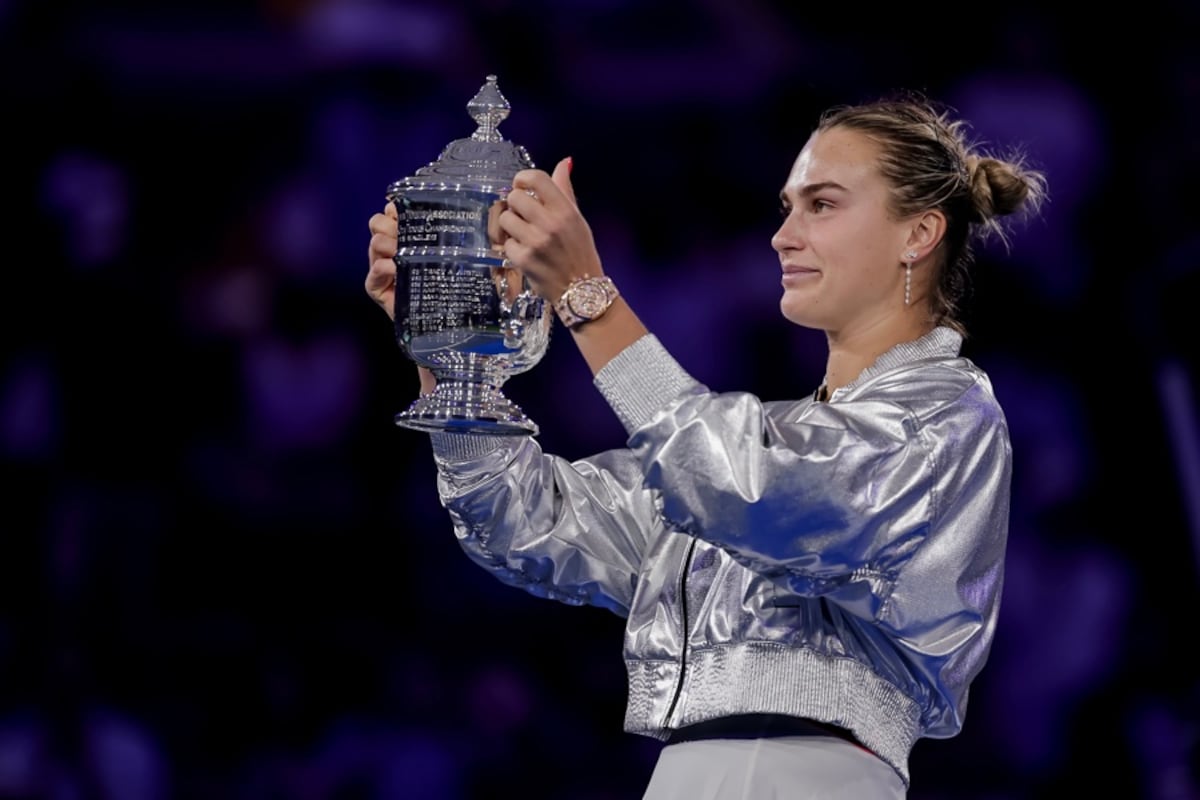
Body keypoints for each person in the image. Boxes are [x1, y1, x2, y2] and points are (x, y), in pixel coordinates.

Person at [366, 92, 1047, 798]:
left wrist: (587, 297)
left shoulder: (946, 415)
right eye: (787, 207)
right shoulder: (753, 441)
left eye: (822, 204)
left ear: (919, 233)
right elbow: (524, 518)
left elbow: (753, 492)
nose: (784, 235)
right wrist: (451, 347)